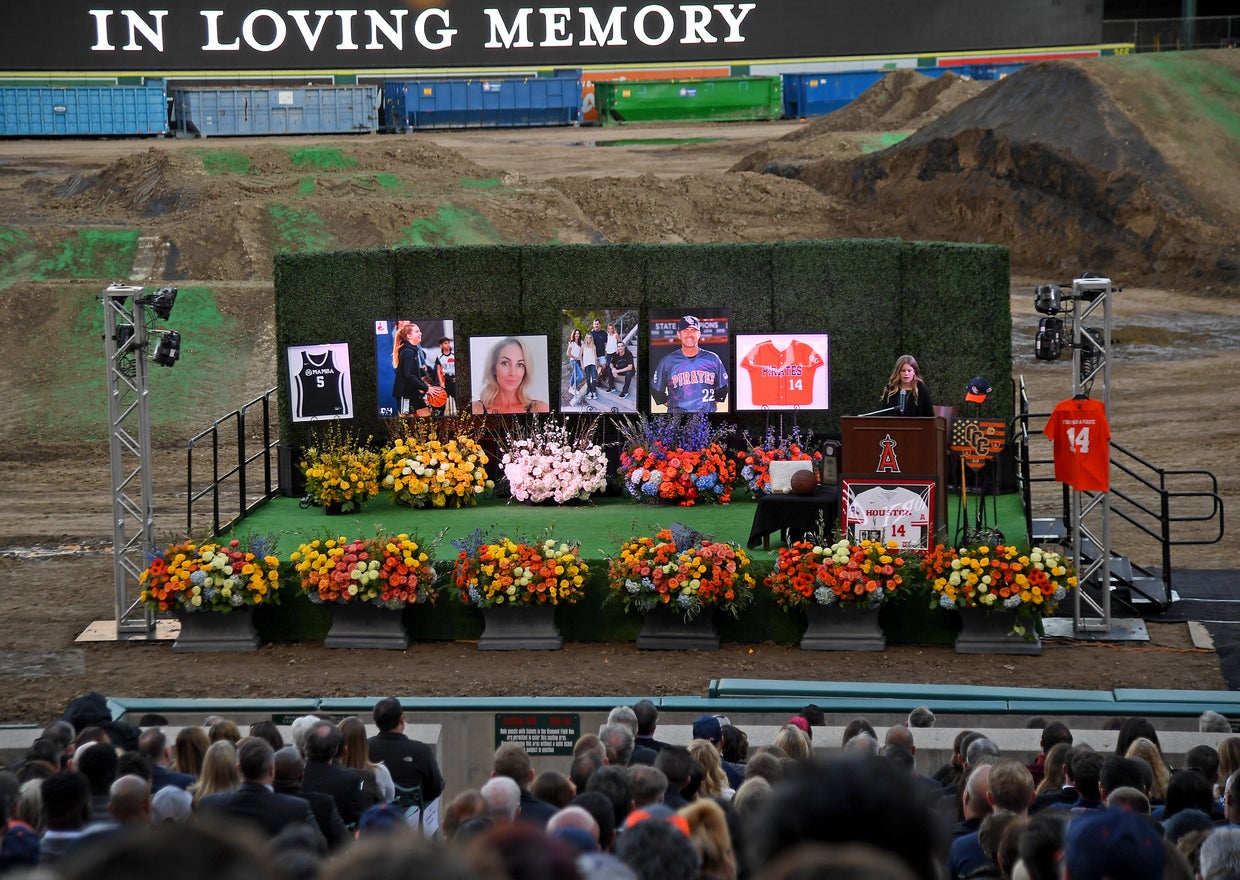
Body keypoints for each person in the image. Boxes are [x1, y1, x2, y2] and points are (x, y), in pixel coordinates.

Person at [367, 697, 445, 805]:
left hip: (373, 818)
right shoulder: (421, 751)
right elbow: (435, 789)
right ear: (401, 720)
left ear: (376, 723)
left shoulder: (363, 749)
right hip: (412, 819)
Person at [651, 315, 729, 413]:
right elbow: (657, 390)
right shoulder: (668, 361)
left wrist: (709, 406)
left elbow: (722, 388)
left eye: (693, 330)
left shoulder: (713, 359)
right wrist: (674, 406)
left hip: (707, 417)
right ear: (679, 334)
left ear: (699, 334)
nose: (689, 334)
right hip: (678, 418)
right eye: (685, 330)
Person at [472, 336, 549, 414]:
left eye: (520, 364)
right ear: (493, 368)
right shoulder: (476, 409)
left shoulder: (540, 409)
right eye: (505, 363)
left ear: (525, 370)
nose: (512, 373)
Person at [391, 322, 440, 417]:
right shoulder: (407, 352)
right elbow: (408, 375)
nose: (420, 333)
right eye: (417, 331)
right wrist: (426, 388)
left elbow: (411, 373)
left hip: (412, 391)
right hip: (404, 395)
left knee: (426, 416)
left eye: (420, 331)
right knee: (407, 420)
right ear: (409, 336)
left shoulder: (411, 350)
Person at [435, 336, 456, 413]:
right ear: (441, 345)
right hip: (445, 378)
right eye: (445, 343)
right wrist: (441, 382)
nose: (447, 345)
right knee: (443, 398)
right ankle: (442, 415)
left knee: (456, 397)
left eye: (448, 343)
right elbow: (438, 369)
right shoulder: (439, 356)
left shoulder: (454, 354)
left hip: (454, 378)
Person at [566, 328, 585, 394]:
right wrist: (575, 358)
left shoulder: (581, 342)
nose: (577, 335)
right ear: (573, 335)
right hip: (573, 361)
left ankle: (571, 388)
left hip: (579, 361)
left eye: (578, 333)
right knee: (581, 376)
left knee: (574, 375)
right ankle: (573, 388)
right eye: (576, 334)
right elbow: (568, 353)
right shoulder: (571, 343)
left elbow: (583, 352)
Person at [582, 333, 600, 401]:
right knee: (588, 378)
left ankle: (594, 392)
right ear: (586, 338)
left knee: (594, 378)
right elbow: (580, 356)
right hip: (586, 364)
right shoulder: (583, 346)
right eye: (587, 337)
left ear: (591, 339)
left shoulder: (593, 346)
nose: (589, 339)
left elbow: (595, 356)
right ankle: (589, 392)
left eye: (590, 338)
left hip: (593, 364)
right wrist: (582, 364)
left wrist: (596, 365)